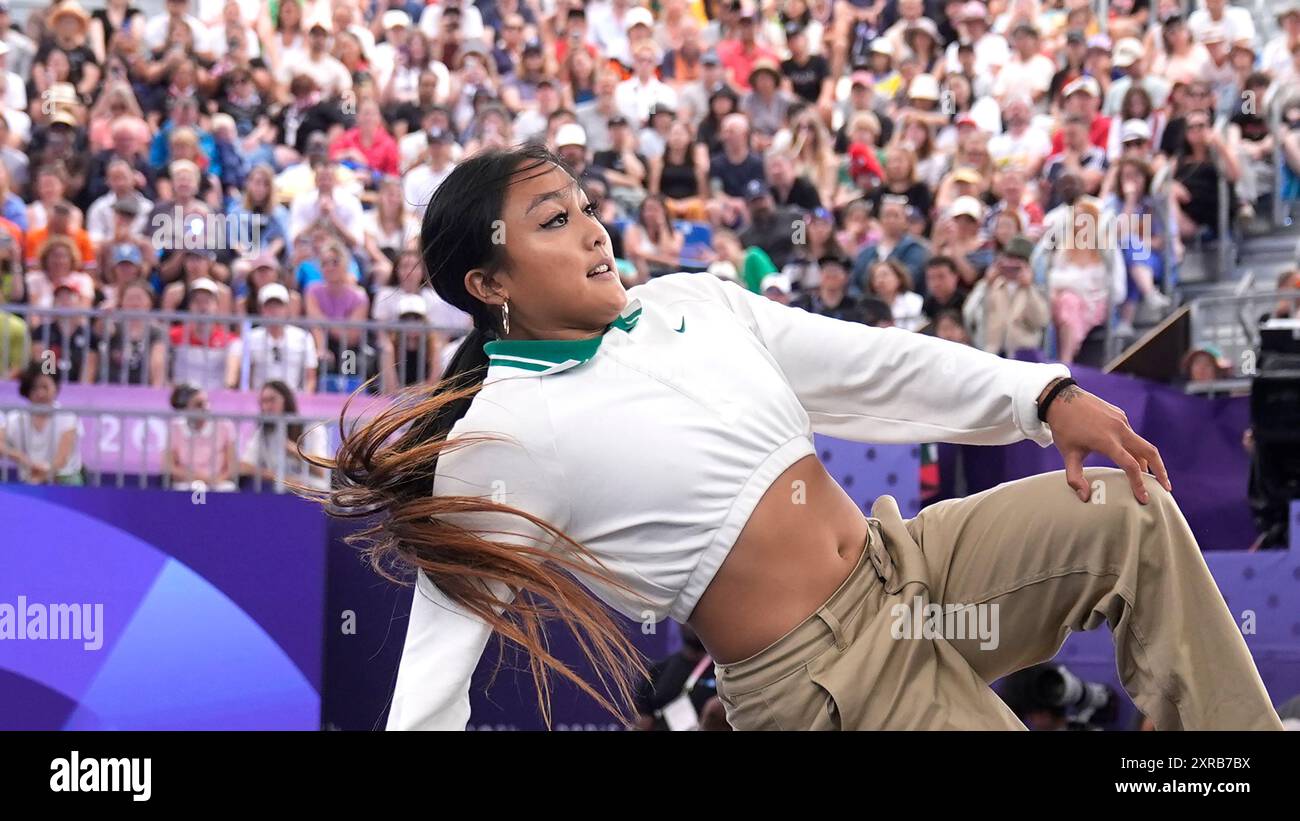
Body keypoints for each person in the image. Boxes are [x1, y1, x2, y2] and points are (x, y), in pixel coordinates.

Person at [324, 145, 1284, 731]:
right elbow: (436, 661)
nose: (591, 229)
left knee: (1128, 516)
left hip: (907, 568)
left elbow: (875, 365)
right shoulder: (500, 436)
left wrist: (1046, 396)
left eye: (582, 205)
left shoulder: (689, 300)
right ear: (490, 285)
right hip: (818, 680)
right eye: (552, 220)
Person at [239, 379, 330, 491]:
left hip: (311, 490)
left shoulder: (312, 428)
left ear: (286, 400)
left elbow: (322, 471)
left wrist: (295, 452)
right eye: (263, 402)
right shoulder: (263, 432)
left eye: (272, 400)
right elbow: (244, 466)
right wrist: (282, 478)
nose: (266, 407)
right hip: (279, 490)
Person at [0, 362, 82, 485]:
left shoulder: (67, 416)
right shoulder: (16, 418)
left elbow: (61, 460)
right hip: (28, 480)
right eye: (34, 388)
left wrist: (42, 475)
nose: (40, 393)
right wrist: (20, 457)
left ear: (55, 387)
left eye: (45, 387)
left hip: (64, 479)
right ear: (26, 391)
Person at [165, 382, 237, 493]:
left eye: (207, 402)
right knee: (194, 490)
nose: (206, 408)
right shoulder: (175, 428)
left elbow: (232, 467)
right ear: (184, 409)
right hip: (187, 483)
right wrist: (201, 479)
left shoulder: (225, 426)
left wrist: (216, 481)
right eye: (199, 405)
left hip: (219, 483)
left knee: (227, 489)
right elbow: (169, 467)